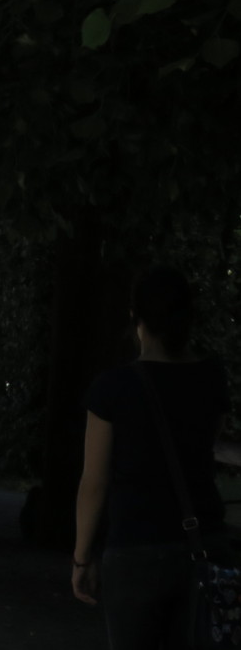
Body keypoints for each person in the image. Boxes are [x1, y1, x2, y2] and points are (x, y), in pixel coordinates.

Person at [73, 268, 230, 647]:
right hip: (204, 543)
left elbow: (94, 481)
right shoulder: (213, 378)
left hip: (134, 547)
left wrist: (82, 557)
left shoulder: (112, 387)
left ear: (135, 319)